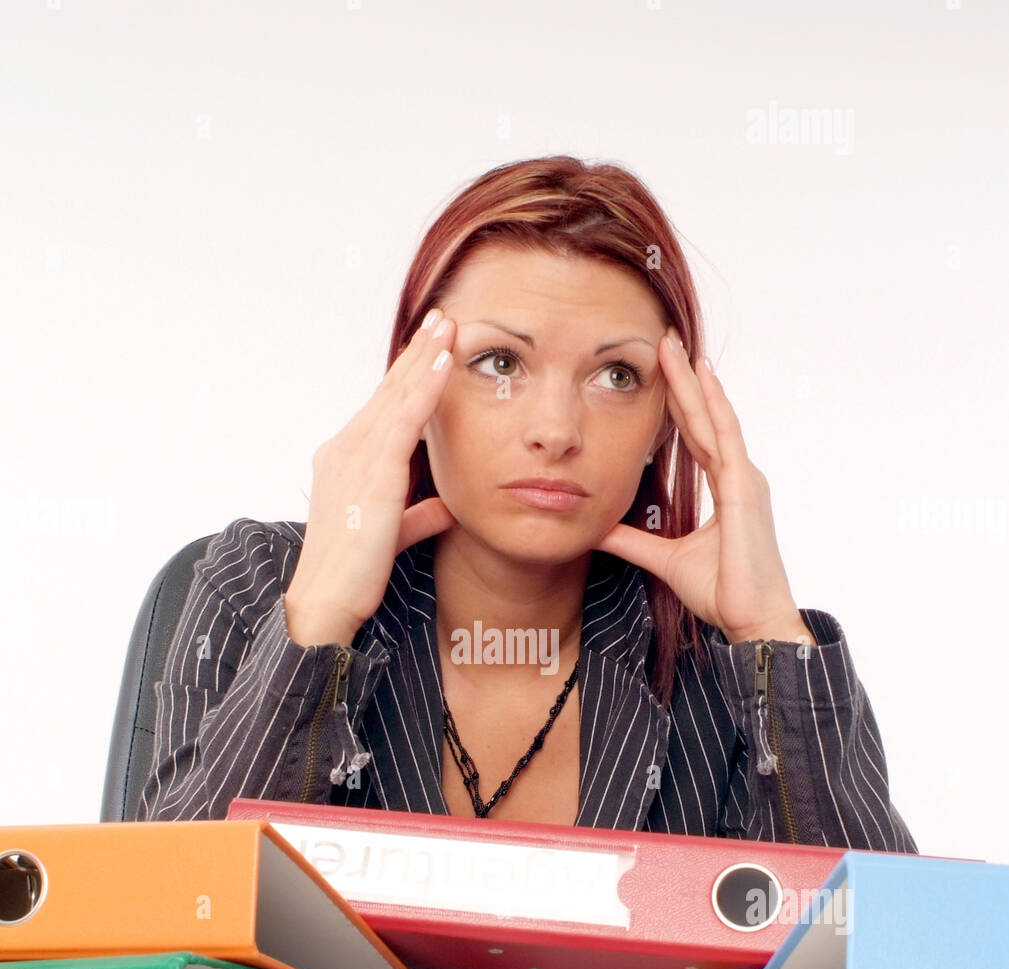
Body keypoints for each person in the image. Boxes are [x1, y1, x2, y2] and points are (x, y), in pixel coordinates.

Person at [138, 155, 916, 852]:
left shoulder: (725, 658)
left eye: (616, 376)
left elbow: (888, 965)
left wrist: (767, 632)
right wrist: (316, 624)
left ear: (664, 420)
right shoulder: (260, 582)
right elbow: (154, 937)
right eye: (499, 361)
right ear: (417, 382)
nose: (554, 431)